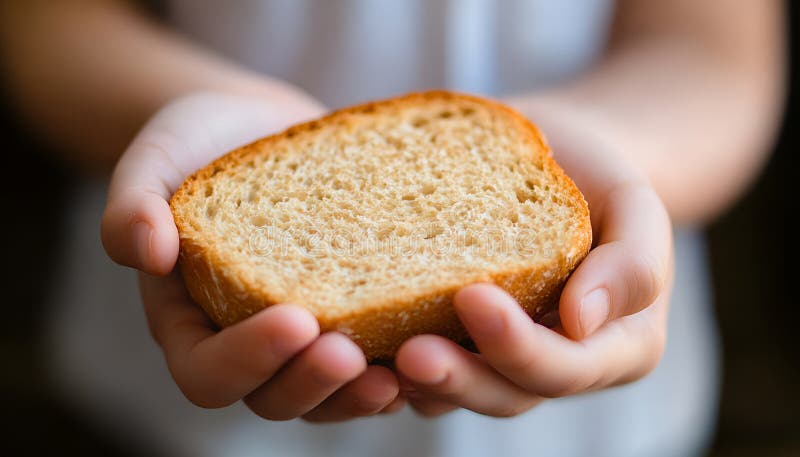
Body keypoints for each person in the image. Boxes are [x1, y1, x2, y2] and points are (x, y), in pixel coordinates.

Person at [0, 1, 784, 456]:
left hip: (589, 431)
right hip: (172, 417)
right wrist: (165, 116)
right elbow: (50, 23)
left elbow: (711, 50)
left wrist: (613, 165)